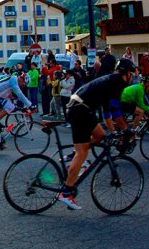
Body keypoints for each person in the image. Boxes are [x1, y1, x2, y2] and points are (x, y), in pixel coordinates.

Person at [58, 58, 137, 210]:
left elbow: (107, 111)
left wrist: (115, 130)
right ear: (126, 73)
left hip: (81, 107)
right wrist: (125, 129)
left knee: (100, 135)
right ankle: (66, 192)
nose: (131, 77)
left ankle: (73, 156)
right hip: (80, 109)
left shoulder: (111, 80)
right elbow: (115, 110)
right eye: (131, 74)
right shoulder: (118, 81)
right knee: (82, 154)